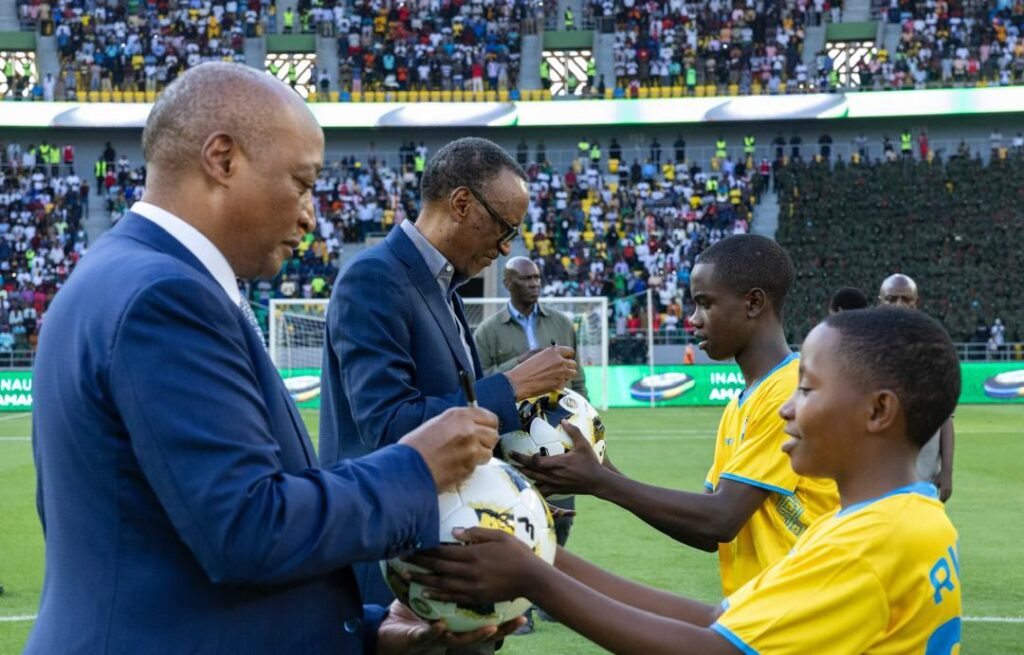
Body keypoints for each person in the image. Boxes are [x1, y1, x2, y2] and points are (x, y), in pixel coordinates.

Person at [27, 63, 518, 653]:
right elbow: (247, 527)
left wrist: (368, 634)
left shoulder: (122, 272)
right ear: (223, 159)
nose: (311, 214)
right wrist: (417, 466)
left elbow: (171, 539)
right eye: (302, 183)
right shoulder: (165, 296)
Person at [409, 307, 963, 655]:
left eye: (809, 390)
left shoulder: (866, 544)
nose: (787, 411)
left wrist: (535, 578)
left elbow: (711, 648)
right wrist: (539, 550)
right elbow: (721, 620)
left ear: (878, 412)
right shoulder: (903, 519)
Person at [319, 137, 578, 606]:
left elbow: (456, 419)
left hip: (447, 543)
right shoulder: (375, 277)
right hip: (392, 559)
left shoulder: (445, 287)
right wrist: (515, 385)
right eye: (504, 229)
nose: (504, 248)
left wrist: (519, 487)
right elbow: (388, 426)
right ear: (461, 203)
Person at [504, 235, 838, 596]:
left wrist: (600, 482)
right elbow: (705, 531)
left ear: (753, 302)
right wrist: (601, 470)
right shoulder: (740, 404)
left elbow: (719, 520)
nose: (692, 320)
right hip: (763, 612)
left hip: (805, 609)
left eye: (704, 304)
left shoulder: (787, 392)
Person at [472, 255, 587, 633]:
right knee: (515, 517)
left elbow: (578, 379)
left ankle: (545, 595)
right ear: (508, 283)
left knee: (561, 514)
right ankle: (515, 604)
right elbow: (476, 384)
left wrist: (583, 423)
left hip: (556, 437)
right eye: (526, 278)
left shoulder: (560, 322)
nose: (535, 283)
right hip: (511, 439)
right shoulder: (488, 331)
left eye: (538, 277)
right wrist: (517, 365)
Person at [878, 273, 956, 501]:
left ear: (916, 303)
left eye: (906, 299)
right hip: (875, 483)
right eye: (891, 299)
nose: (899, 305)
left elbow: (946, 418)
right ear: (880, 302)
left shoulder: (935, 351)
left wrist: (948, 471)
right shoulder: (862, 350)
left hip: (924, 481)